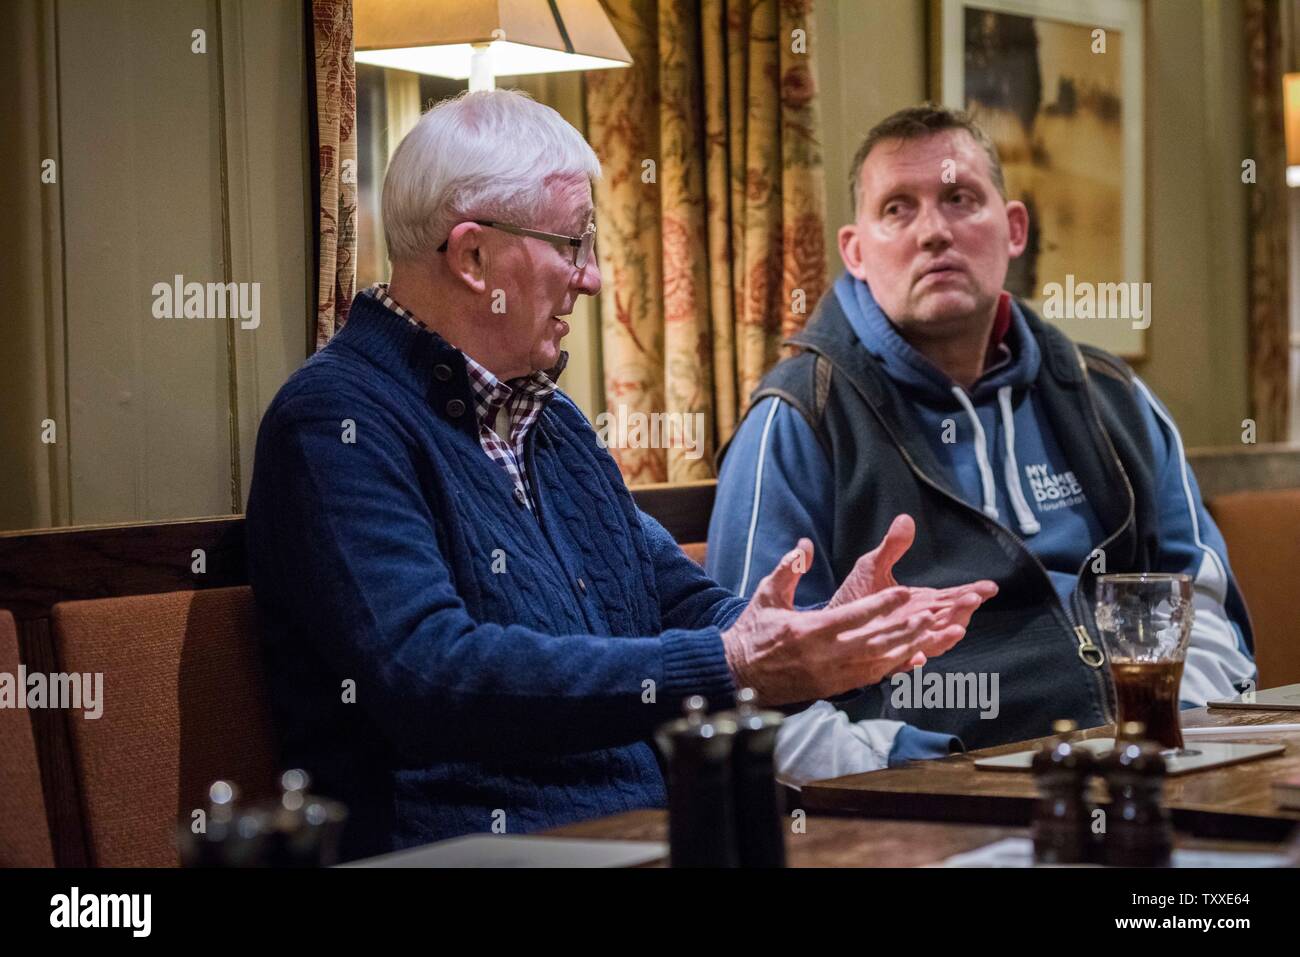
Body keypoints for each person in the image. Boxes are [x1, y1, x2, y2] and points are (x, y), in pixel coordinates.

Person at [244, 90, 995, 860]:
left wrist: (817, 634)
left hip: (646, 841)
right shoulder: (337, 424)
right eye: (573, 243)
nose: (594, 277)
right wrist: (735, 664)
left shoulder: (552, 423)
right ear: (472, 256)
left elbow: (671, 596)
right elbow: (431, 673)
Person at [708, 104, 1256, 782]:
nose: (934, 231)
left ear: (1015, 227)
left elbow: (1202, 601)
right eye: (898, 209)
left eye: (960, 199)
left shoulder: (1111, 393)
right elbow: (751, 696)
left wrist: (1167, 736)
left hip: (1149, 770)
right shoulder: (798, 418)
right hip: (931, 800)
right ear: (855, 250)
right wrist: (926, 769)